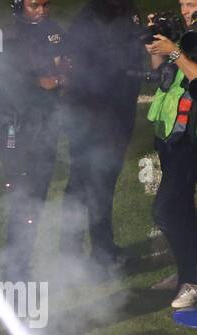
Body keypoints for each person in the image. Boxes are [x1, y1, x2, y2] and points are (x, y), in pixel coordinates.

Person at [59, 0, 146, 268]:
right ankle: (87, 253)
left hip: (120, 113)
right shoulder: (88, 20)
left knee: (101, 182)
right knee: (88, 184)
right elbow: (81, 75)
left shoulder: (128, 10)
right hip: (93, 118)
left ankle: (91, 250)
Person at [0, 0, 69, 280]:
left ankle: (21, 264)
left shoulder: (53, 29)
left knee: (37, 197)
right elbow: (9, 80)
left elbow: (64, 62)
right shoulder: (4, 35)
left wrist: (63, 72)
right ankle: (13, 270)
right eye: (35, 5)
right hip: (15, 128)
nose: (42, 10)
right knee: (23, 196)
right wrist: (46, 81)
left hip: (44, 125)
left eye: (46, 4)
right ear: (18, 5)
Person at [145, 2, 197, 309]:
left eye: (192, 2)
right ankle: (187, 273)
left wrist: (175, 52)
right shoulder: (187, 33)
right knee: (183, 210)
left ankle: (191, 279)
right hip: (170, 133)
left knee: (166, 210)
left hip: (189, 137)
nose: (186, 9)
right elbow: (157, 72)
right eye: (183, 4)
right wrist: (158, 41)